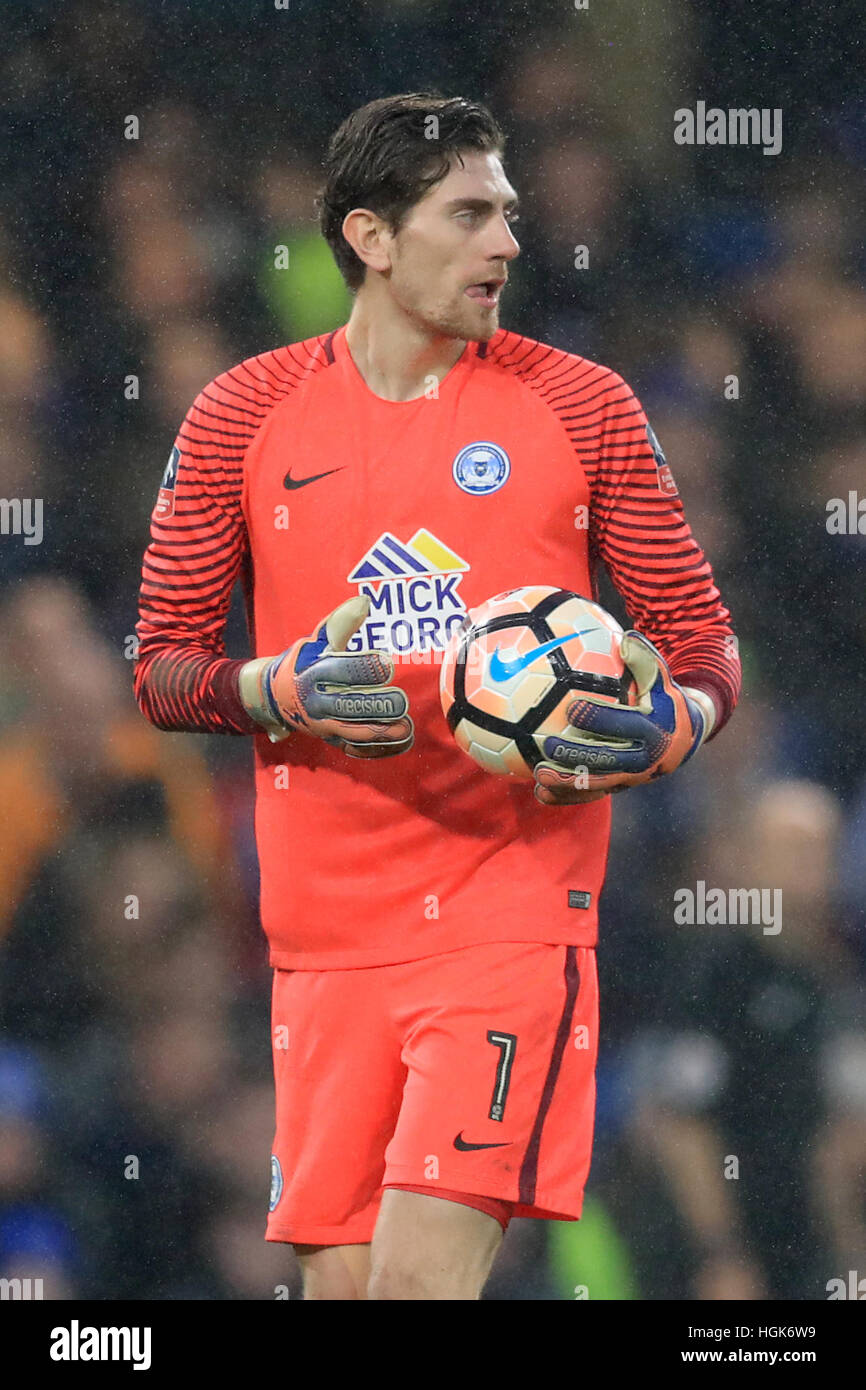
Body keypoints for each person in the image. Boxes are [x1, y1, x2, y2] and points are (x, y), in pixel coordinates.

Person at [133, 92, 741, 1300]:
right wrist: (277, 686)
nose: (507, 244)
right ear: (369, 236)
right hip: (321, 939)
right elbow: (161, 663)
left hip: (505, 910)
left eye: (509, 214)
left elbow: (701, 647)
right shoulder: (240, 415)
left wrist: (664, 726)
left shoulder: (583, 406)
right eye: (468, 215)